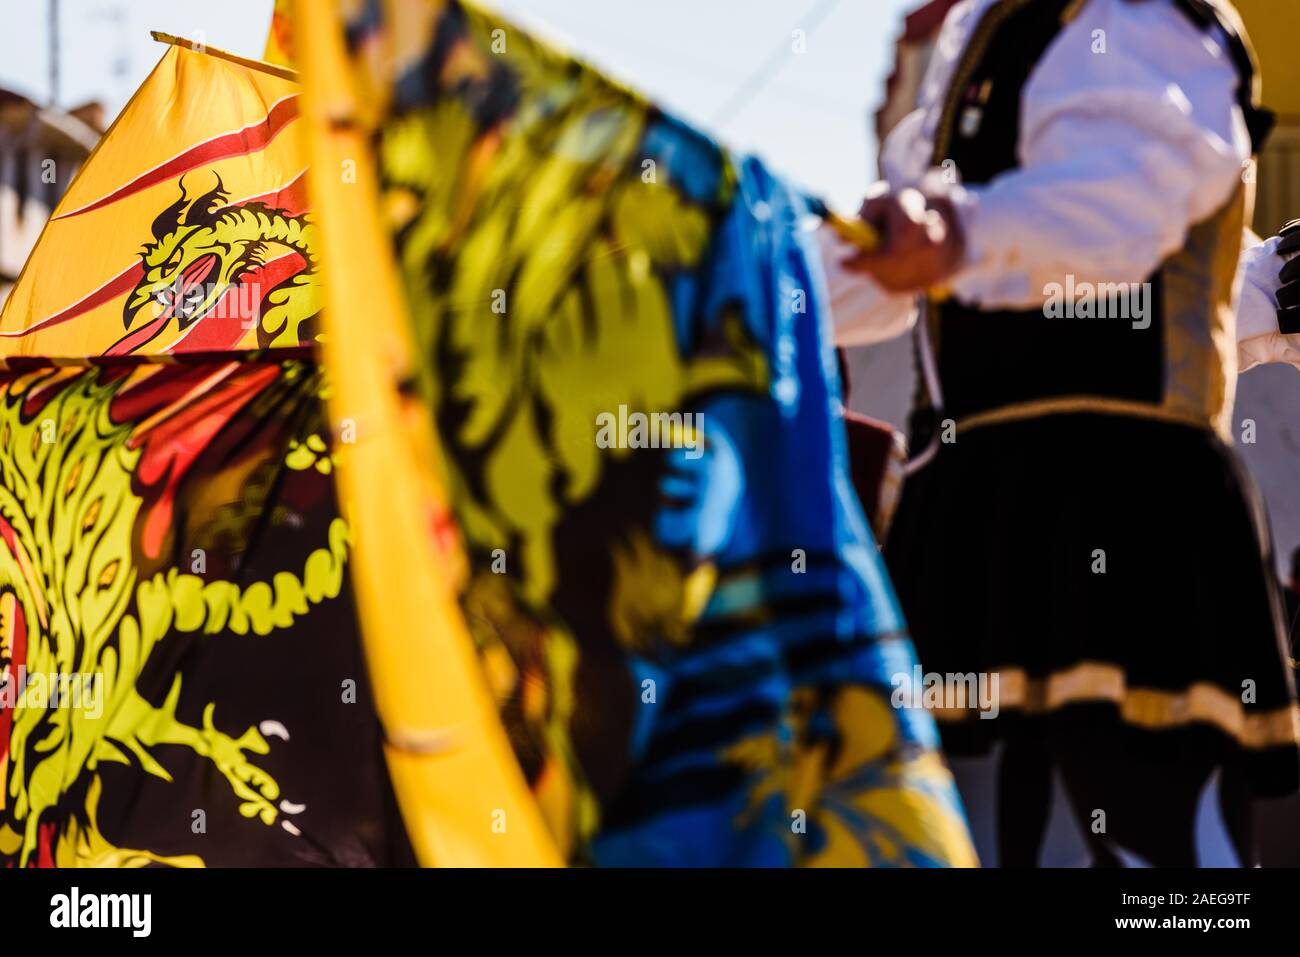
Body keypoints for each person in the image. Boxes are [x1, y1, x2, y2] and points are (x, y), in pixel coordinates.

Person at [821, 0, 1299, 866]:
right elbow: (884, 263)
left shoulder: (1145, 15)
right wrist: (740, 272)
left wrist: (957, 234)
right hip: (969, 512)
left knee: (1141, 860)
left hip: (1125, 507)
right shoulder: (983, 34)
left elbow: (1123, 209)